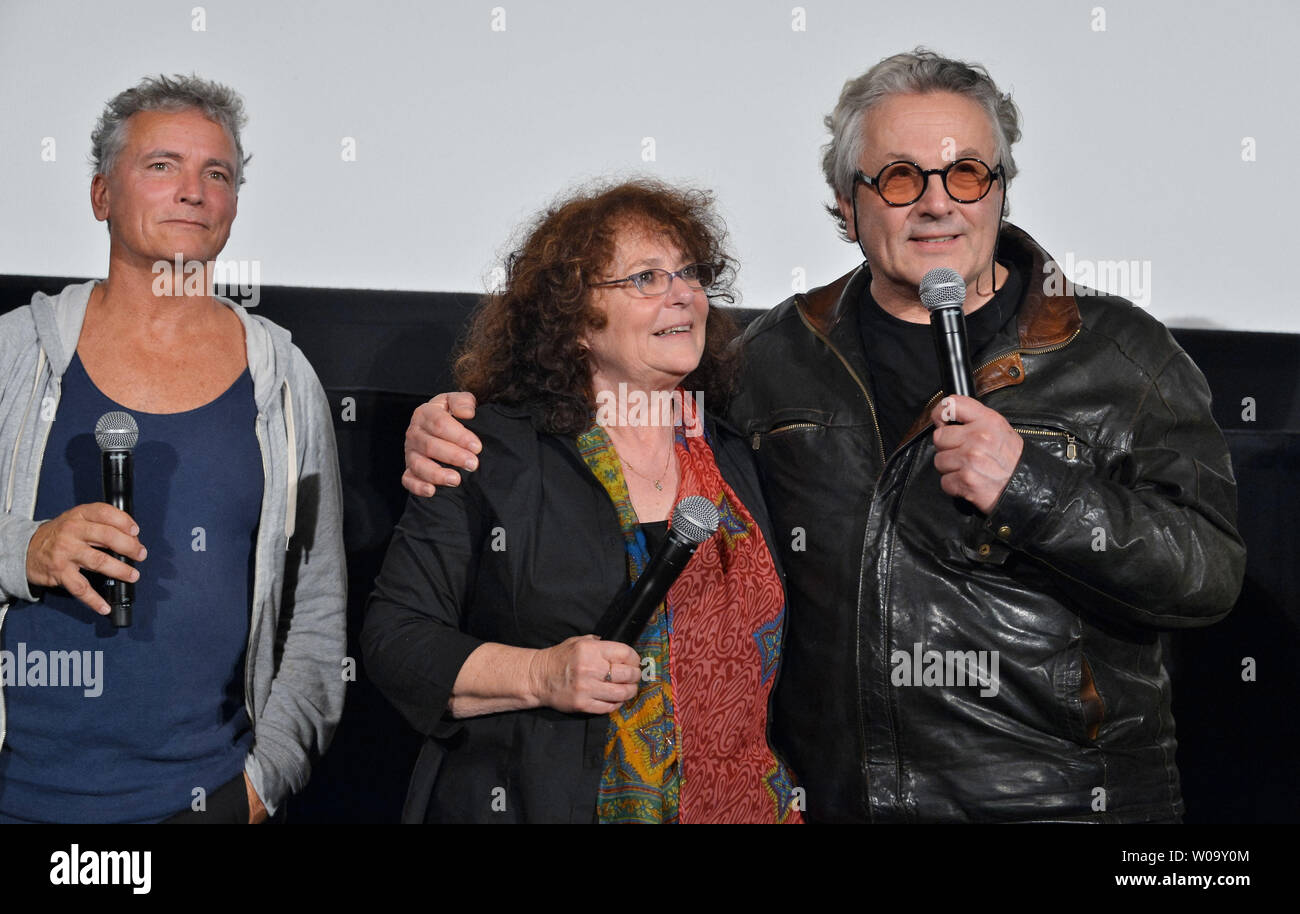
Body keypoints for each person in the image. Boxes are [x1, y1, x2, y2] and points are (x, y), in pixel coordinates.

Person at [401, 50, 1246, 823]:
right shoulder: (774, 356)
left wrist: (1032, 487)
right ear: (847, 207)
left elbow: (1208, 576)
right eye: (900, 177)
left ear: (1002, 189)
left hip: (1057, 805)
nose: (937, 202)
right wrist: (455, 417)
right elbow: (602, 400)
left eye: (967, 173)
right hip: (836, 804)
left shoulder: (1121, 354)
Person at [363, 179, 801, 824]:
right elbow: (395, 642)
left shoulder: (734, 450)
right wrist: (541, 675)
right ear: (573, 324)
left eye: (690, 273)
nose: (683, 293)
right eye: (646, 278)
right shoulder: (486, 450)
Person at [0, 74, 346, 823]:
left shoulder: (284, 382)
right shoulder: (15, 355)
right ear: (101, 196)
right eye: (162, 166)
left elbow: (316, 619)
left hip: (202, 802)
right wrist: (25, 551)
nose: (193, 190)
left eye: (215, 174)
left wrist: (256, 790)